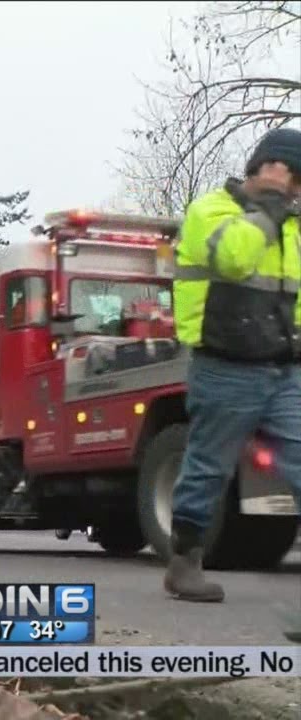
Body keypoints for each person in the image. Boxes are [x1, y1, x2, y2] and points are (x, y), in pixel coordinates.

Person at [167, 127, 301, 603]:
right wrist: (268, 203)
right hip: (225, 363)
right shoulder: (211, 211)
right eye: (296, 178)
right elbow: (236, 260)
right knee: (208, 468)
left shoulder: (289, 227)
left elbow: (292, 300)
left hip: (283, 369)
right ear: (270, 169)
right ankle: (185, 563)